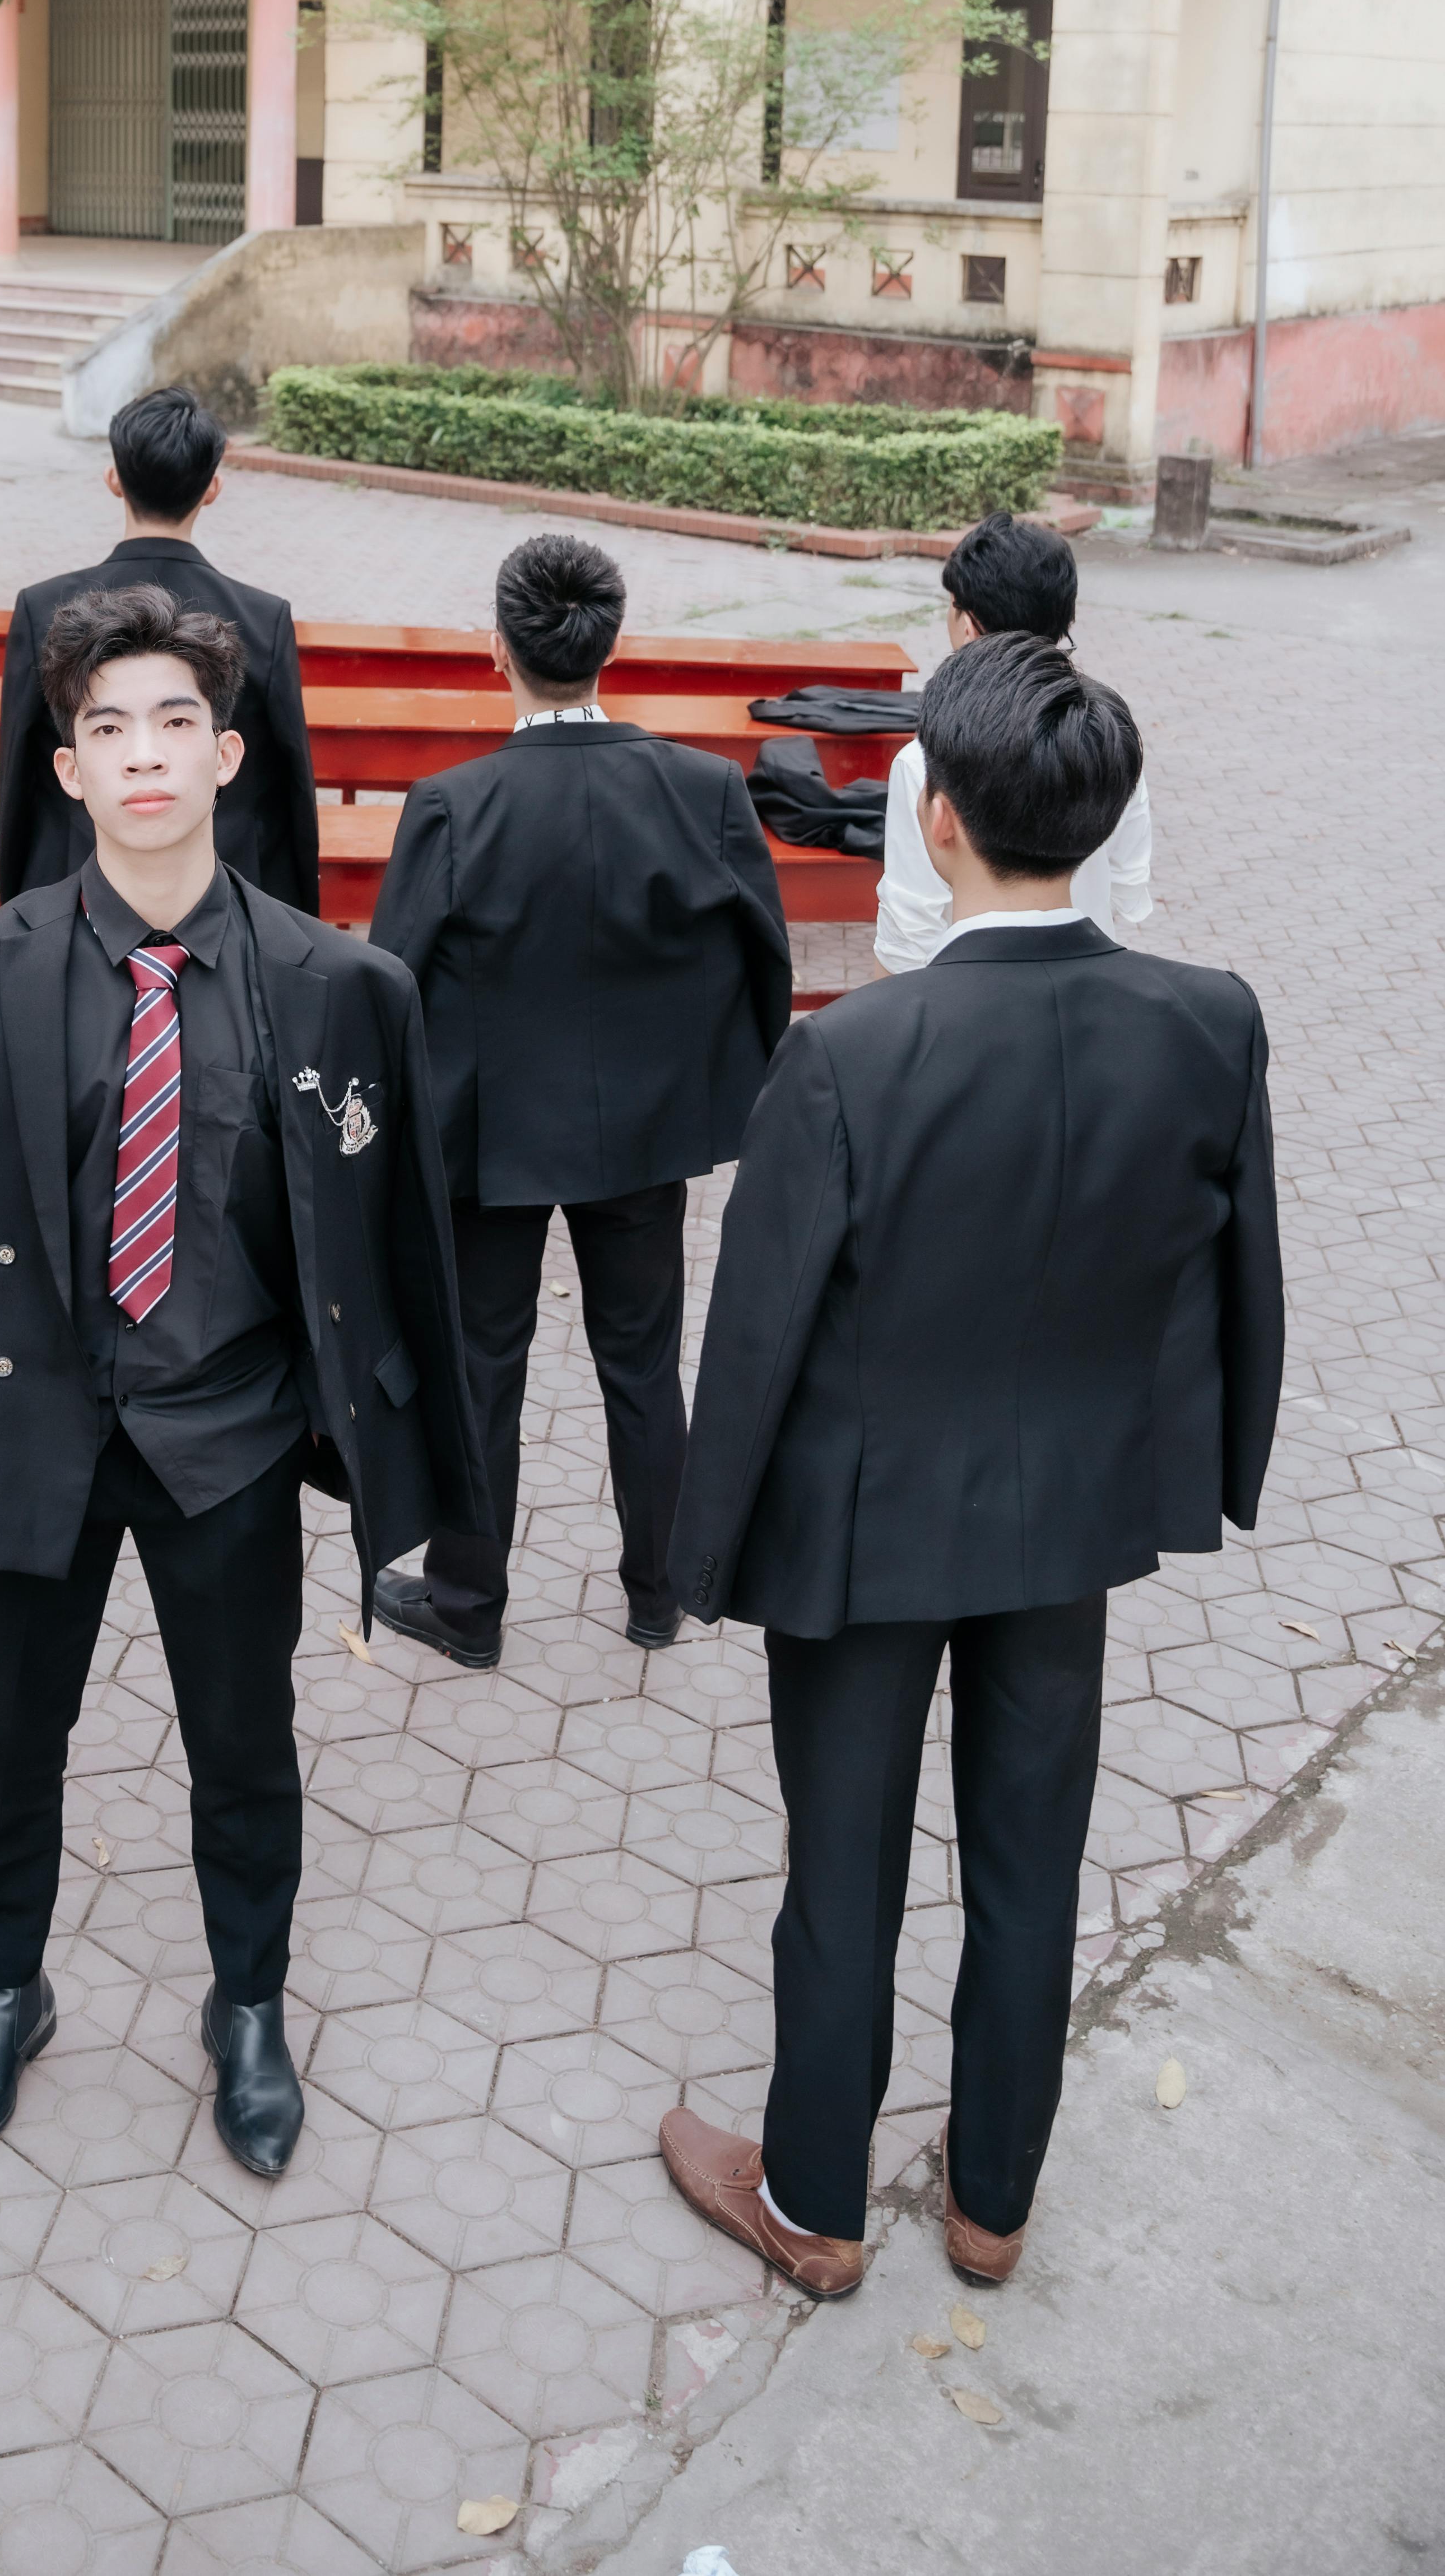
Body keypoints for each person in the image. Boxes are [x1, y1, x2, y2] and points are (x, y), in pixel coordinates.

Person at [0, 585, 484, 2175]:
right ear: (64, 768)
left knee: (243, 1738)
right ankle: (0, 1983)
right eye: (105, 726)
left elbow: (391, 1235)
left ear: (228, 752)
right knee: (8, 1734)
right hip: (31, 1428)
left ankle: (244, 2002)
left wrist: (401, 1441)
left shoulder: (334, 983)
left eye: (172, 721)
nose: (141, 754)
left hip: (229, 1433)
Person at [657, 631, 1281, 2301]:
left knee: (840, 1869)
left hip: (861, 1537)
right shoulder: (1204, 1020)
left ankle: (811, 2200)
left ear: (926, 816)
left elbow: (755, 1333)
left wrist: (696, 1558)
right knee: (1028, 1855)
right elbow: (1239, 1274)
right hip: (1069, 1515)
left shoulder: (851, 1053)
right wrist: (1209, 1467)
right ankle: (991, 2198)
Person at [368, 530, 791, 1667]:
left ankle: (467, 1602)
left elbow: (390, 977)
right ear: (612, 643)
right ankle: (663, 1589)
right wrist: (719, 1091)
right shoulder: (702, 787)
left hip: (491, 1133)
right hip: (647, 1128)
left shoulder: (455, 804)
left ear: (498, 649)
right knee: (643, 1360)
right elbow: (763, 954)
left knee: (481, 1366)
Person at [0, 388, 321, 913]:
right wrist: (299, 916)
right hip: (229, 886)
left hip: (71, 885)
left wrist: (14, 901)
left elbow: (18, 777)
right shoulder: (264, 617)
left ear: (113, 480)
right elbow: (291, 790)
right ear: (212, 488)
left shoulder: (42, 608)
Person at [876, 509, 1153, 971]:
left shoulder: (926, 762)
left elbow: (907, 936)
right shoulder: (1104, 735)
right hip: (1093, 990)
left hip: (962, 1007)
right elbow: (1127, 889)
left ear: (968, 625)